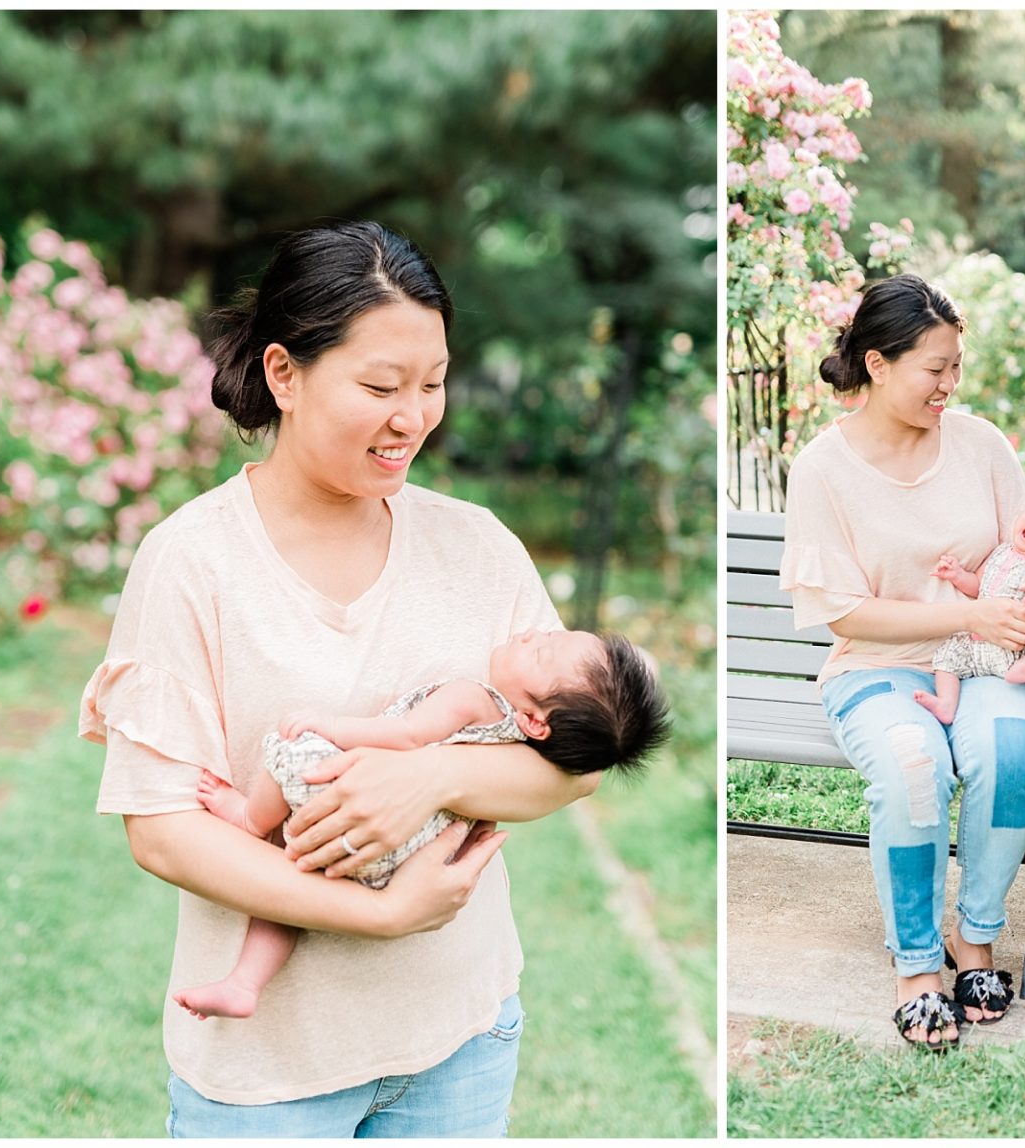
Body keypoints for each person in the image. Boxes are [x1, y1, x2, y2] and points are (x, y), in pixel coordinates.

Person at [79, 221, 607, 1136]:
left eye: (433, 383)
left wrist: (428, 778)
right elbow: (163, 834)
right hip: (269, 1075)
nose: (414, 416)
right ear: (284, 374)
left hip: (462, 1041)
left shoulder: (476, 543)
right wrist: (384, 914)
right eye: (379, 386)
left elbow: (577, 757)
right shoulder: (191, 562)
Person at [781, 273, 1025, 1051]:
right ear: (877, 364)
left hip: (988, 660)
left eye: (956, 367)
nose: (950, 384)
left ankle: (976, 942)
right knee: (914, 762)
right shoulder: (822, 468)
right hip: (875, 663)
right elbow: (843, 612)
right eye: (934, 368)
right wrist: (969, 610)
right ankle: (916, 967)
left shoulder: (981, 444)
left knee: (1009, 747)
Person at [173, 627, 668, 1021]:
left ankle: (246, 816)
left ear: (537, 720)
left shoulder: (473, 698)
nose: (531, 634)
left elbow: (407, 735)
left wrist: (330, 726)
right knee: (299, 879)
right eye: (548, 636)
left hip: (354, 801)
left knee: (295, 763)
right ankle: (244, 984)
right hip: (405, 858)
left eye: (542, 652)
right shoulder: (518, 749)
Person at [913, 489, 1025, 724]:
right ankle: (946, 703)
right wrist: (957, 575)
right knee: (946, 658)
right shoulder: (1000, 552)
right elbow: (978, 585)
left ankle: (1023, 667)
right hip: (977, 642)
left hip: (1017, 644)